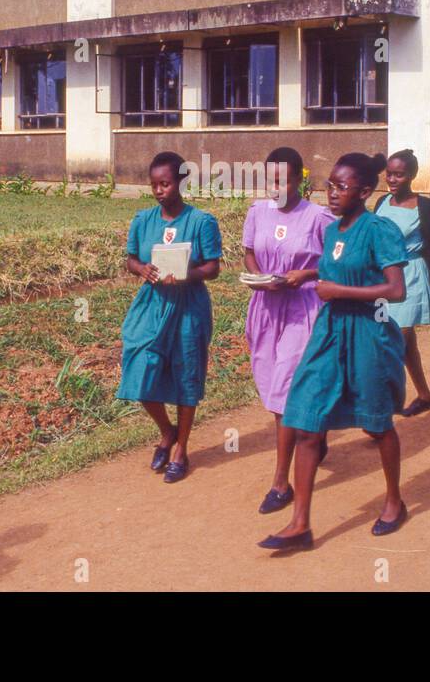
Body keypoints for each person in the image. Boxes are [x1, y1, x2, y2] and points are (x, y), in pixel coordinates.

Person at [261, 153, 409, 550]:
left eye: (342, 188)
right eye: (329, 185)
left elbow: (396, 290)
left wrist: (339, 291)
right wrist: (309, 274)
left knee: (377, 423)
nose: (333, 194)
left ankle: (394, 500)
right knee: (306, 418)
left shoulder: (380, 230)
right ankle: (300, 524)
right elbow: (331, 272)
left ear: (363, 192)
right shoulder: (332, 232)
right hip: (328, 331)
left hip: (368, 332)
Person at [119, 151, 222, 484]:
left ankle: (181, 447)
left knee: (186, 374)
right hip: (151, 304)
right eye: (154, 185)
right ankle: (167, 431)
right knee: (139, 367)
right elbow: (130, 259)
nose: (159, 190)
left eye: (165, 183)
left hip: (188, 306)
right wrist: (141, 268)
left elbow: (213, 268)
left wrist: (186, 273)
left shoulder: (201, 222)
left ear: (180, 182)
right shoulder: (142, 220)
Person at [241, 147, 334, 514]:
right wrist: (259, 275)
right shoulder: (257, 212)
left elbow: (333, 262)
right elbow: (248, 251)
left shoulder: (318, 218)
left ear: (300, 180)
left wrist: (305, 274)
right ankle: (318, 429)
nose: (276, 187)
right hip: (266, 307)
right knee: (269, 383)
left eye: (284, 180)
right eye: (271, 179)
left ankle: (281, 483)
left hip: (303, 309)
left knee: (283, 391)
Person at [374, 149, 430, 418]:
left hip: (411, 276)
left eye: (399, 174)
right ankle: (424, 395)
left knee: (396, 340)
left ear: (411, 175)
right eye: (389, 173)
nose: (392, 179)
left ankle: (382, 410)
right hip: (385, 278)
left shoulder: (426, 207)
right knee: (405, 343)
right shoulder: (381, 203)